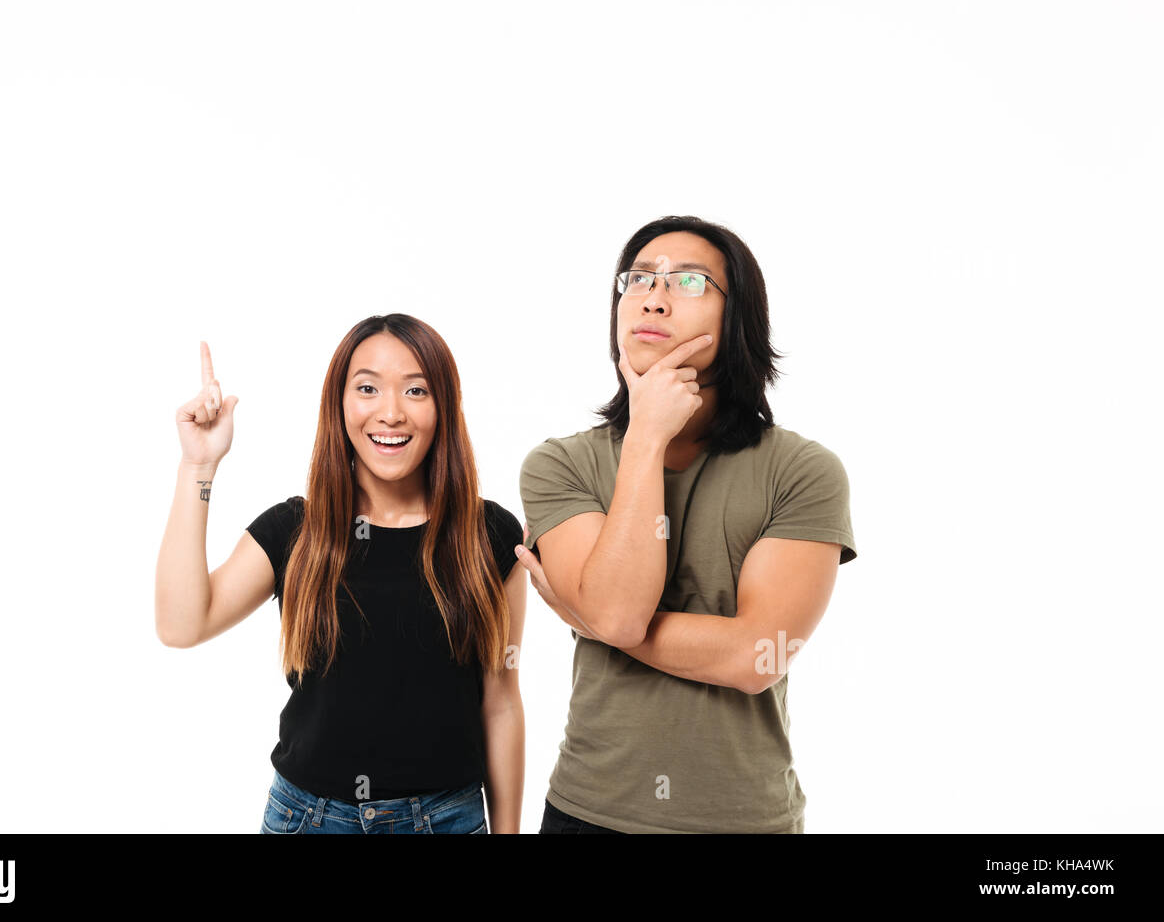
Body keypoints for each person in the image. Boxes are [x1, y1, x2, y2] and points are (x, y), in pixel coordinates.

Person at [515, 215, 857, 834]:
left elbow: (756, 657)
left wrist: (590, 616)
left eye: (689, 281)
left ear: (739, 319)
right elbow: (620, 612)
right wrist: (646, 436)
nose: (653, 295)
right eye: (639, 278)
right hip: (586, 812)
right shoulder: (560, 464)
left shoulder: (803, 470)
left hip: (746, 820)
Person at [154, 314, 527, 834]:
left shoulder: (487, 534)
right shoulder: (296, 530)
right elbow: (180, 625)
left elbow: (501, 702)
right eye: (368, 388)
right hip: (310, 819)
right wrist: (198, 468)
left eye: (416, 390)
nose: (390, 413)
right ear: (340, 404)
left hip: (448, 819)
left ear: (444, 406)